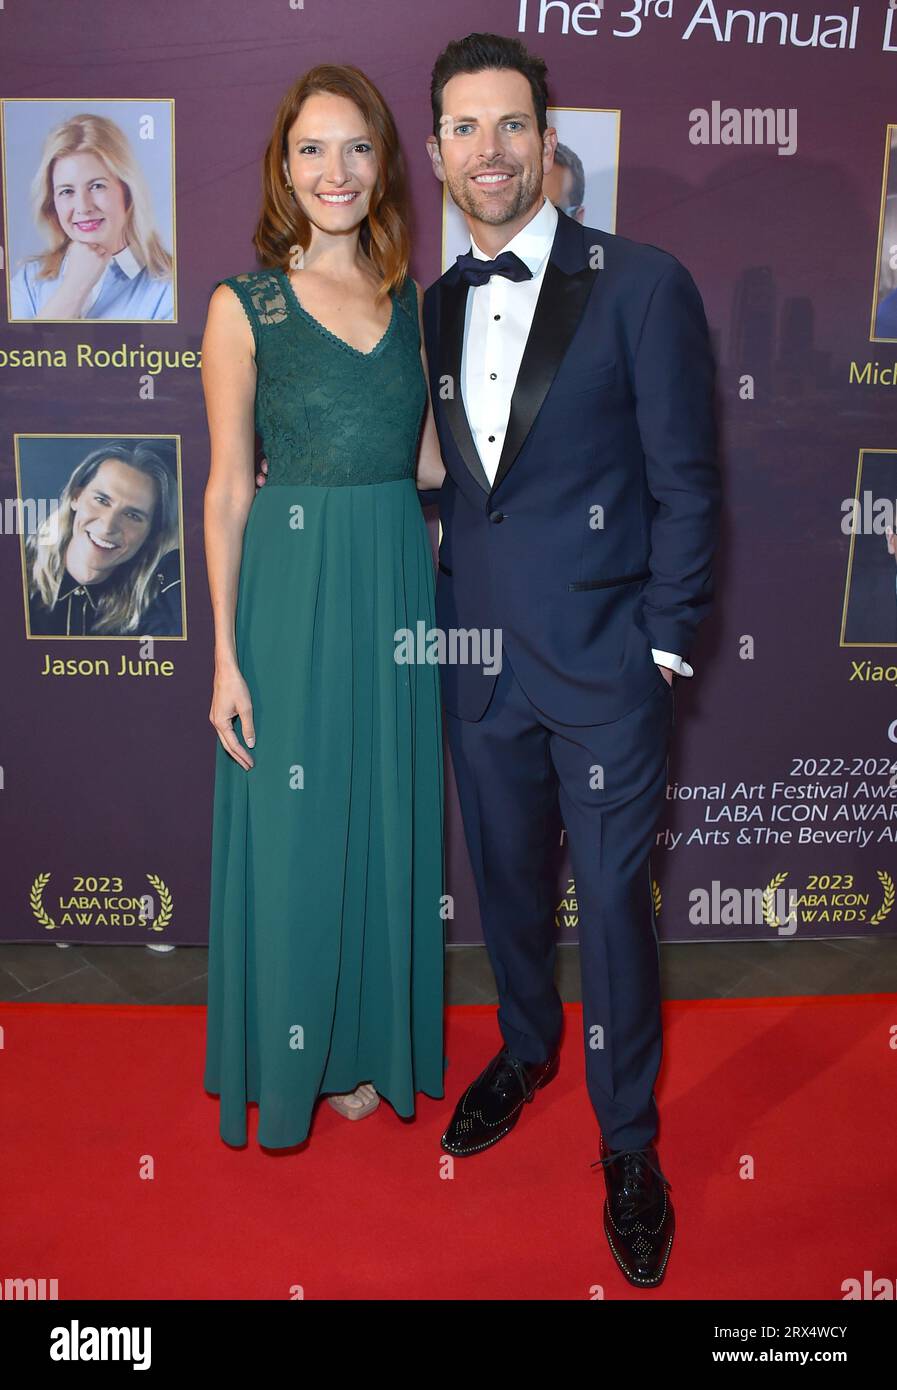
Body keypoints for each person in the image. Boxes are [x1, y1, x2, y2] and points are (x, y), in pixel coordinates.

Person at [420, 32, 720, 1287]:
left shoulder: (642, 282)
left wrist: (659, 647)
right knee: (502, 887)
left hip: (607, 670)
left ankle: (631, 1147)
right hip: (478, 661)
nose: (488, 151)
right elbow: (461, 481)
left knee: (610, 912)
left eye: (510, 127)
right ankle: (527, 1046)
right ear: (437, 151)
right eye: (463, 129)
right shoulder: (433, 305)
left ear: (550, 143)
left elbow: (688, 485)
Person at [202, 65, 447, 1148]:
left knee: (382, 815)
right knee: (298, 828)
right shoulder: (242, 304)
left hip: (394, 581)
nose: (335, 170)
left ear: (384, 165)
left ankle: (363, 1051)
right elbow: (221, 490)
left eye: (356, 148)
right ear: (283, 166)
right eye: (312, 148)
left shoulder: (412, 306)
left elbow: (433, 464)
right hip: (292, 596)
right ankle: (286, 1058)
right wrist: (224, 659)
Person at [9, 113, 173, 321]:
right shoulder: (27, 281)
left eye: (97, 186)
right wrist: (74, 287)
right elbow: (18, 353)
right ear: (53, 202)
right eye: (67, 191)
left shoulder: (169, 288)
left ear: (127, 191)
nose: (83, 207)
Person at [25, 440, 182, 637]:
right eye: (101, 500)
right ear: (75, 496)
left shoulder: (156, 602)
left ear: (154, 534)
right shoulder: (14, 572)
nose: (108, 527)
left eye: (133, 515)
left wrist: (173, 555)